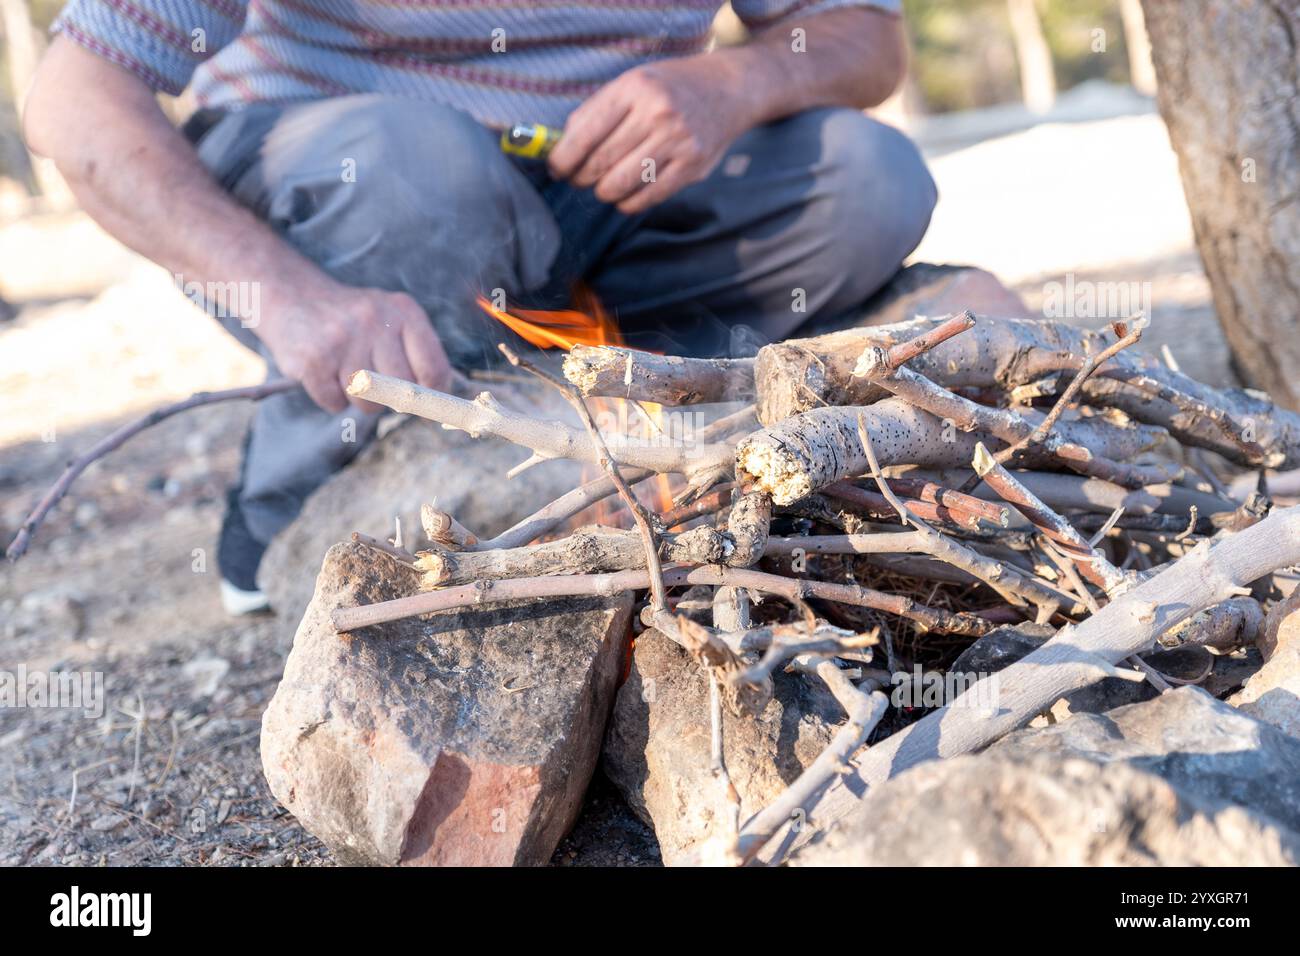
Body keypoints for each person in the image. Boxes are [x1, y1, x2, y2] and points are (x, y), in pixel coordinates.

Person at [23, 0, 937, 613]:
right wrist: (288, 299)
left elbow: (863, 33)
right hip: (348, 167)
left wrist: (737, 82)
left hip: (611, 180)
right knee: (428, 176)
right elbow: (75, 98)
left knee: (870, 180)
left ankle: (614, 430)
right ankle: (308, 481)